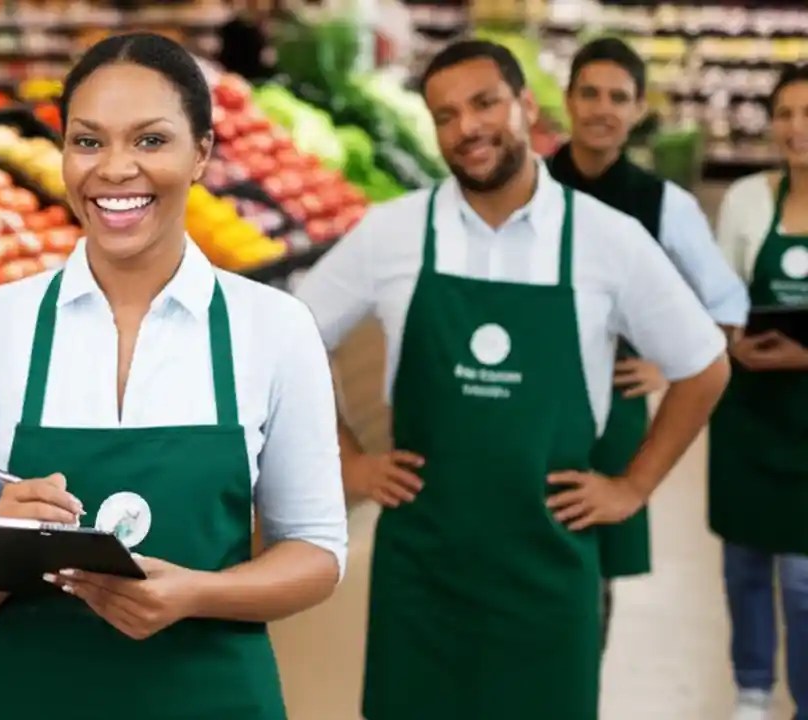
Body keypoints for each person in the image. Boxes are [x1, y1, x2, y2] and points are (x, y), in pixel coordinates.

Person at [0, 32, 348, 720]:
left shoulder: (274, 328)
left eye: (150, 141)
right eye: (88, 142)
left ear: (202, 152)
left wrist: (197, 593)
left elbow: (317, 554)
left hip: (213, 698)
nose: (115, 169)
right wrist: (2, 538)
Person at [295, 39, 731, 719]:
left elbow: (704, 366)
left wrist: (633, 486)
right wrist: (348, 461)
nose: (466, 127)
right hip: (423, 576)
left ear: (527, 106)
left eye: (484, 103)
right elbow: (292, 338)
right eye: (445, 115)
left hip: (548, 578)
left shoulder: (606, 239)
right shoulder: (395, 234)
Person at [546, 37, 749, 645]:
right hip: (522, 392)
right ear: (568, 101)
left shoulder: (666, 205)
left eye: (619, 97)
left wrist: (665, 366)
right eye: (590, 94)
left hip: (610, 414)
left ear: (638, 111)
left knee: (589, 564)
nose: (602, 109)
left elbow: (726, 303)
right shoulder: (526, 183)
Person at [710, 64, 808, 720]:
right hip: (750, 412)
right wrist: (732, 341)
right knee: (744, 563)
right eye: (786, 114)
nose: (797, 129)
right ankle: (750, 689)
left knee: (803, 583)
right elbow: (721, 297)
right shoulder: (747, 198)